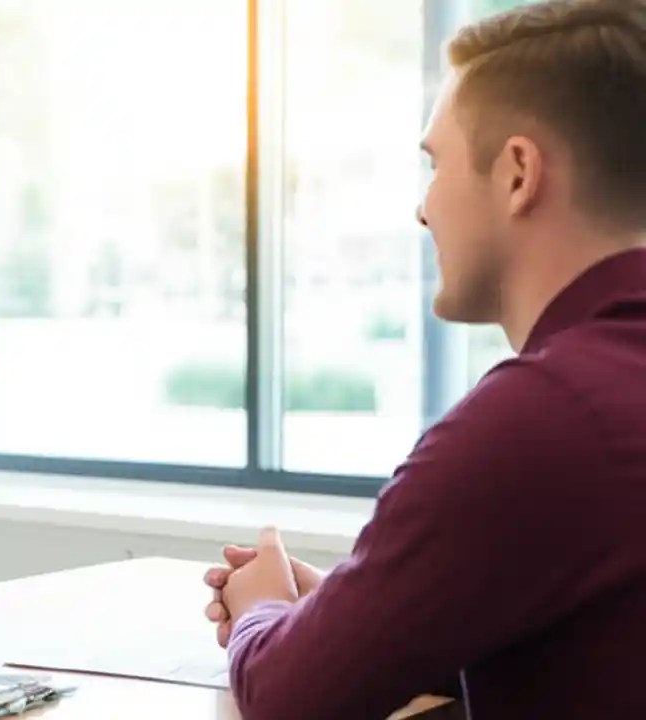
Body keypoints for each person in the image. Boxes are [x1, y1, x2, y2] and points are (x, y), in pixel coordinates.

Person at [204, 1, 646, 717]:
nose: (423, 209)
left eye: (435, 164)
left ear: (517, 173)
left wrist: (258, 611)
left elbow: (291, 700)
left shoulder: (536, 422)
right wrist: (355, 617)